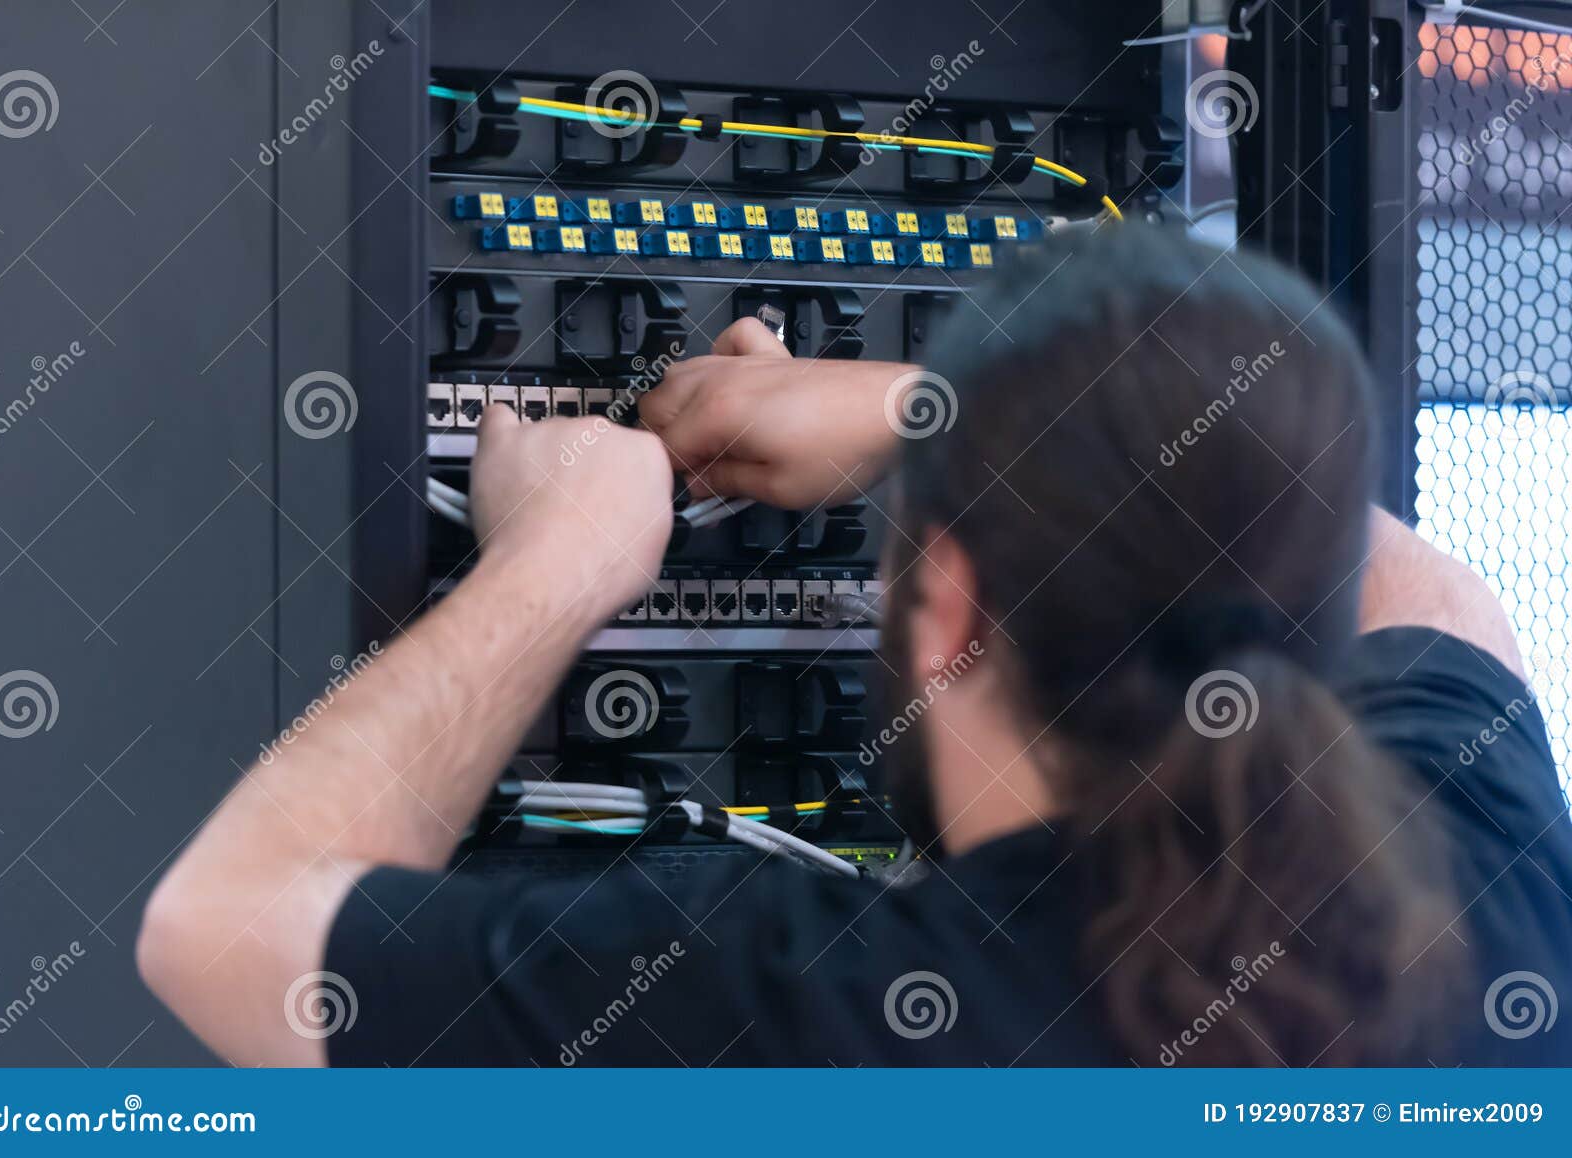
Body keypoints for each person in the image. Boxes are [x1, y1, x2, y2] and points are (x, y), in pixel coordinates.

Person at [137, 225, 1571, 1067]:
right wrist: (972, 421)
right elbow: (1420, 586)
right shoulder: (1483, 882)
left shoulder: (838, 1009)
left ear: (948, 607)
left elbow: (216, 924)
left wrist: (564, 556)